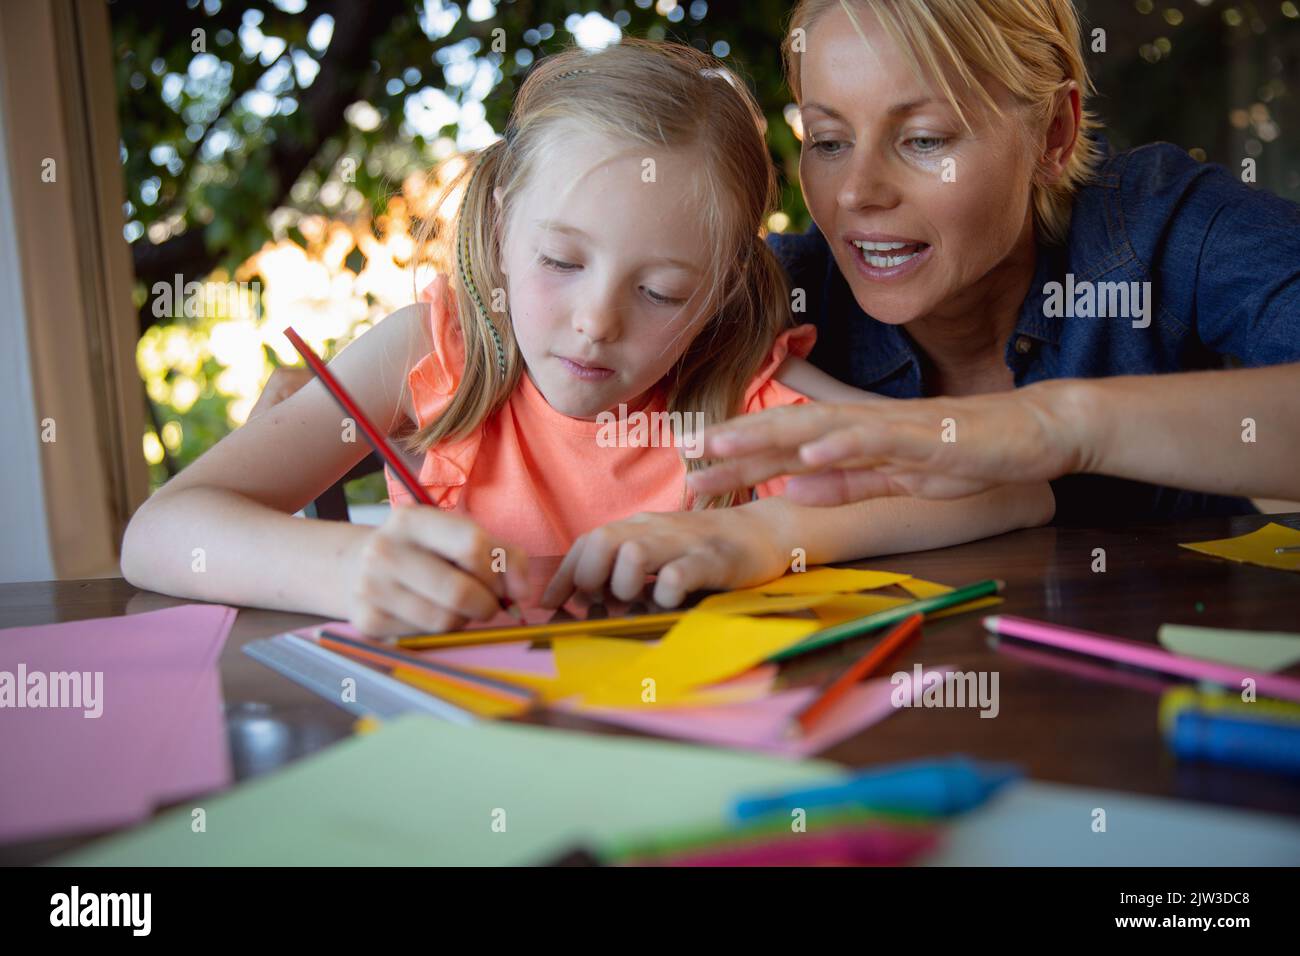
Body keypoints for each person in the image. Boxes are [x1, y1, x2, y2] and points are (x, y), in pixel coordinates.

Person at [121, 40, 1052, 638]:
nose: (597, 322)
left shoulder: (739, 404)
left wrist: (776, 532)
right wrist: (353, 566)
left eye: (659, 290)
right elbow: (162, 533)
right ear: (495, 235)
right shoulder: (427, 354)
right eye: (560, 262)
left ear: (720, 296)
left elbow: (1014, 489)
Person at [689, 0, 1300, 519]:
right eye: (828, 142)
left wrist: (1058, 425)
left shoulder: (1162, 221)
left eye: (924, 139)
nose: (855, 193)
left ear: (1054, 135)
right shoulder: (776, 297)